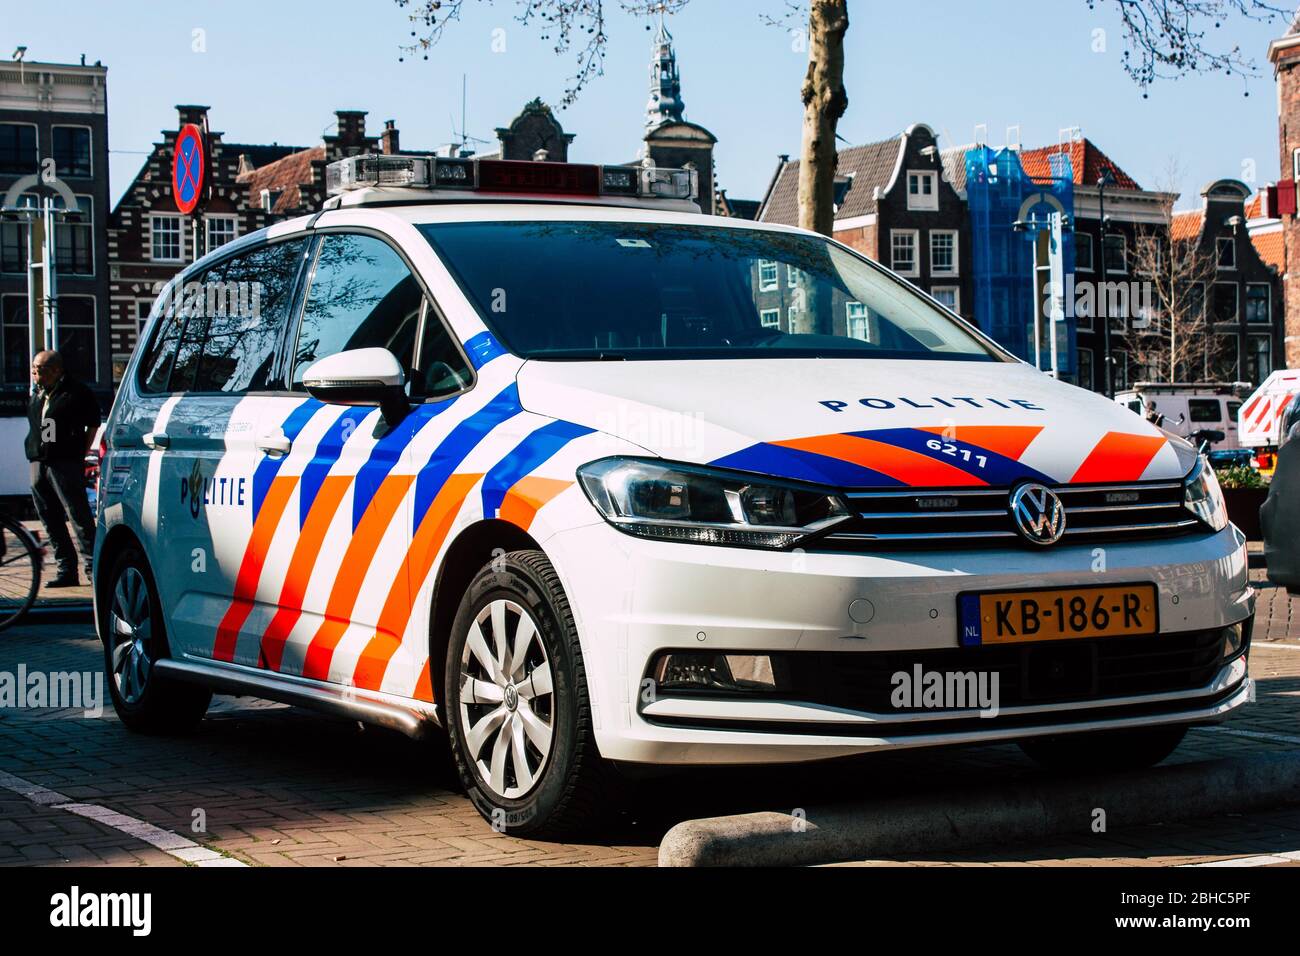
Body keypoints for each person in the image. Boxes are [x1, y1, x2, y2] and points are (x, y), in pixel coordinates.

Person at [26, 350, 100, 588]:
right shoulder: (40, 393)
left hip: (65, 462)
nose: (37, 375)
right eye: (34, 370)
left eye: (42, 371)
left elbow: (93, 423)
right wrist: (42, 449)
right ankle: (66, 569)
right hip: (40, 460)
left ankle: (94, 568)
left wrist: (79, 452)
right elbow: (47, 426)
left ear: (57, 370)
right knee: (49, 516)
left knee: (77, 515)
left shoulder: (75, 393)